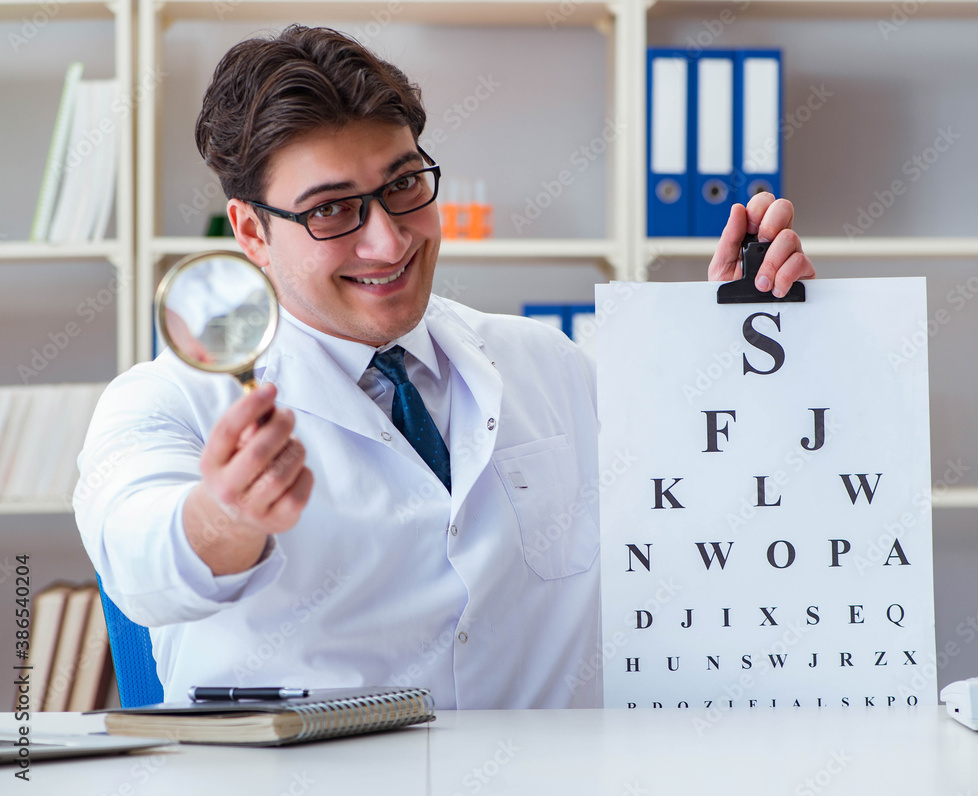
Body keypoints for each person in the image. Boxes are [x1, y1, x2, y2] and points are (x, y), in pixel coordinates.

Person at [74, 25, 814, 709]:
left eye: (402, 185)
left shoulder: (550, 366)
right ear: (252, 232)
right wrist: (226, 518)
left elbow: (712, 517)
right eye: (332, 211)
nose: (388, 242)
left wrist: (747, 346)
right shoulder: (164, 400)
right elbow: (142, 559)